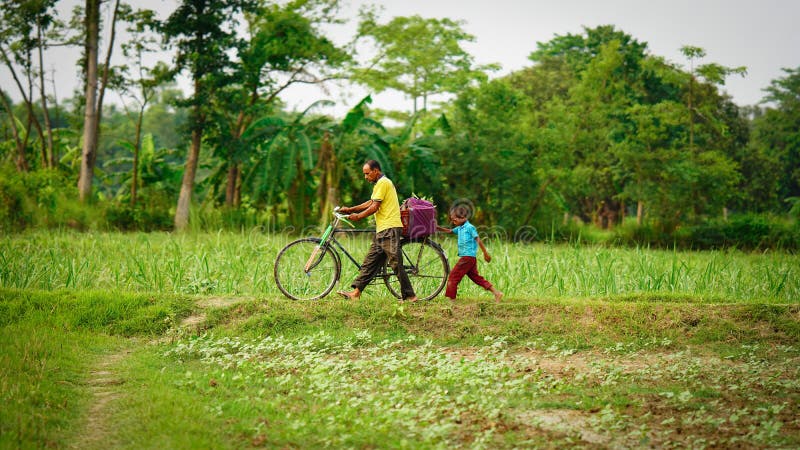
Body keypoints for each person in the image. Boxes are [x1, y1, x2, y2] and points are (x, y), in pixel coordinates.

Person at [336, 160, 418, 302]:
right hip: (383, 230)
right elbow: (370, 202)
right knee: (370, 262)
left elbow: (374, 207)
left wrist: (358, 217)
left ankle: (410, 296)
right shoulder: (379, 184)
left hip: (390, 228)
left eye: (367, 174)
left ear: (376, 171)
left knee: (395, 263)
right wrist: (350, 209)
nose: (366, 177)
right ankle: (356, 294)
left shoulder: (383, 183)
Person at [436, 204, 504, 302]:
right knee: (477, 278)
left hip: (467, 258)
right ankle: (497, 293)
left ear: (463, 217)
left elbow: (478, 239)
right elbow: (450, 231)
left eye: (455, 219)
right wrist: (438, 228)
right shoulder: (460, 228)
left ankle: (451, 301)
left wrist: (485, 253)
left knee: (453, 276)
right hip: (469, 259)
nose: (453, 222)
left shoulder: (469, 227)